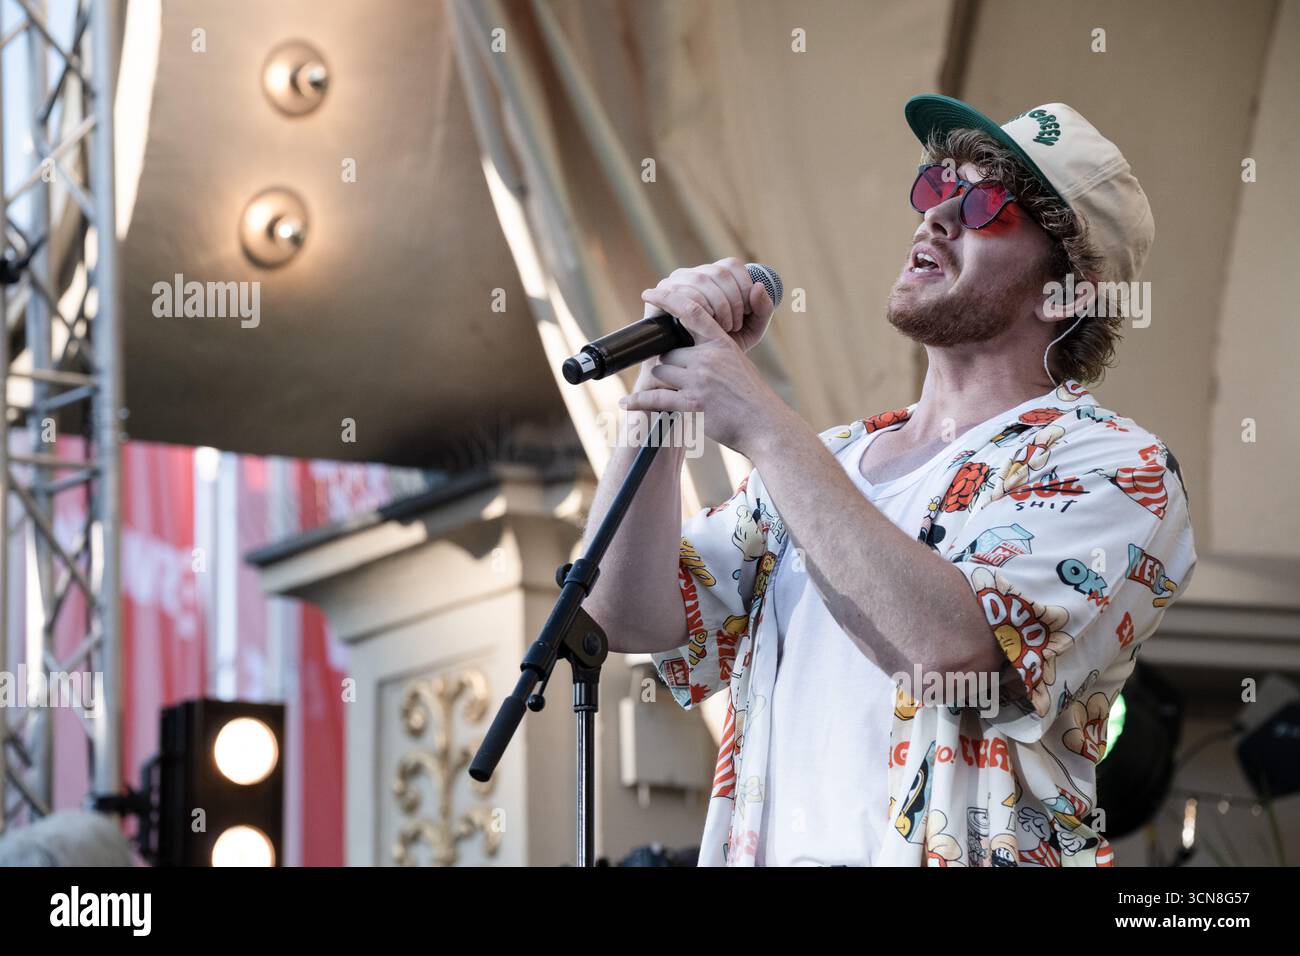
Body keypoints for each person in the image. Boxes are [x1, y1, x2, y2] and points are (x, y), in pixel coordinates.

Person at [580, 94, 1196, 867]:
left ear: (1067, 287)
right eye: (937, 188)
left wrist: (763, 423)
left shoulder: (1115, 465)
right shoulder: (827, 462)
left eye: (986, 203)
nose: (939, 217)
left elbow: (951, 653)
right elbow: (628, 614)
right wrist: (664, 399)